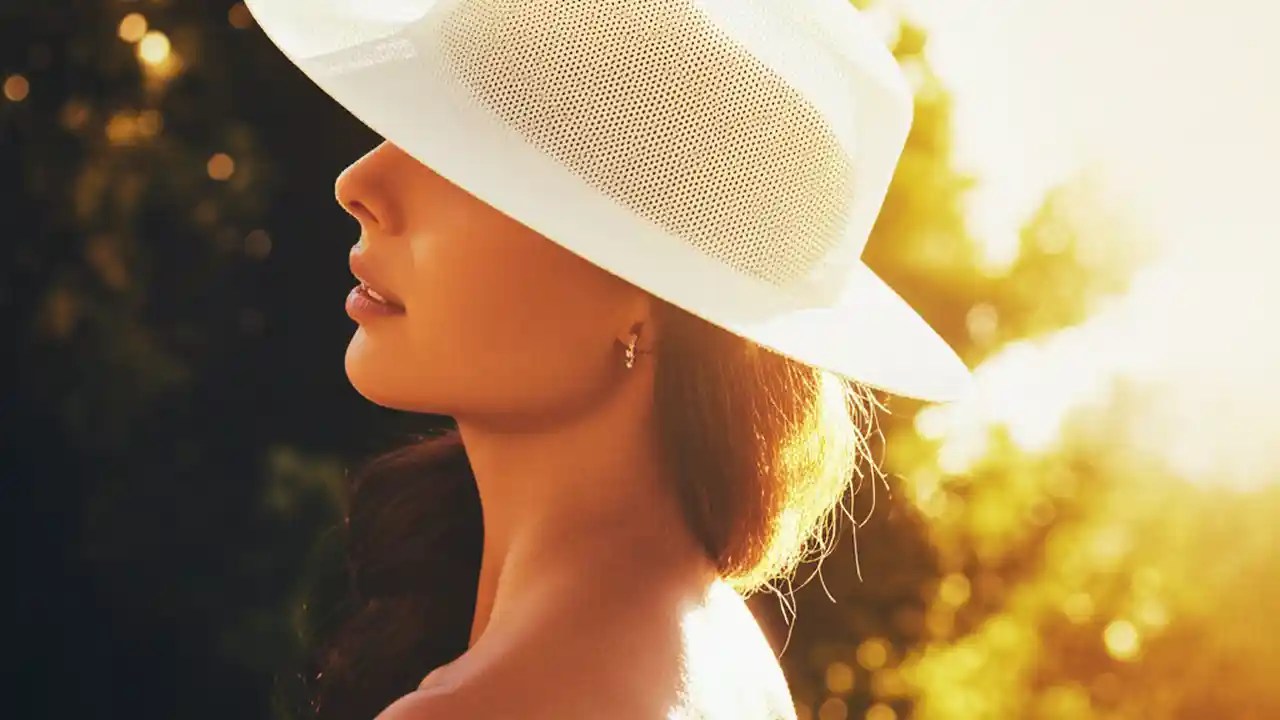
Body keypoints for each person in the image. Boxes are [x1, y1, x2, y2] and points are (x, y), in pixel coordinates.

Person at [245, 1, 973, 718]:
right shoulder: (732, 660)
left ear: (649, 287)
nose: (359, 185)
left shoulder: (487, 708)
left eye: (464, 152)